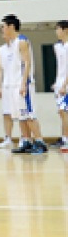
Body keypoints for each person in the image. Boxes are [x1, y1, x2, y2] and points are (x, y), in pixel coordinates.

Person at [0, 14, 48, 154]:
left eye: (4, 26)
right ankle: (26, 141)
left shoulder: (22, 41)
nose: (2, 29)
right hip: (13, 85)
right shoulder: (10, 44)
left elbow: (27, 63)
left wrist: (24, 83)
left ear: (11, 27)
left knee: (29, 115)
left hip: (23, 84)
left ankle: (40, 142)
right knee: (21, 116)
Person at [53, 20, 68, 152]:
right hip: (60, 84)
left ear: (65, 30)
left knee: (64, 112)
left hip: (66, 85)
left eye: (58, 29)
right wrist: (57, 83)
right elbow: (61, 67)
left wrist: (64, 85)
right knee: (61, 112)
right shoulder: (57, 47)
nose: (56, 31)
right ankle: (64, 138)